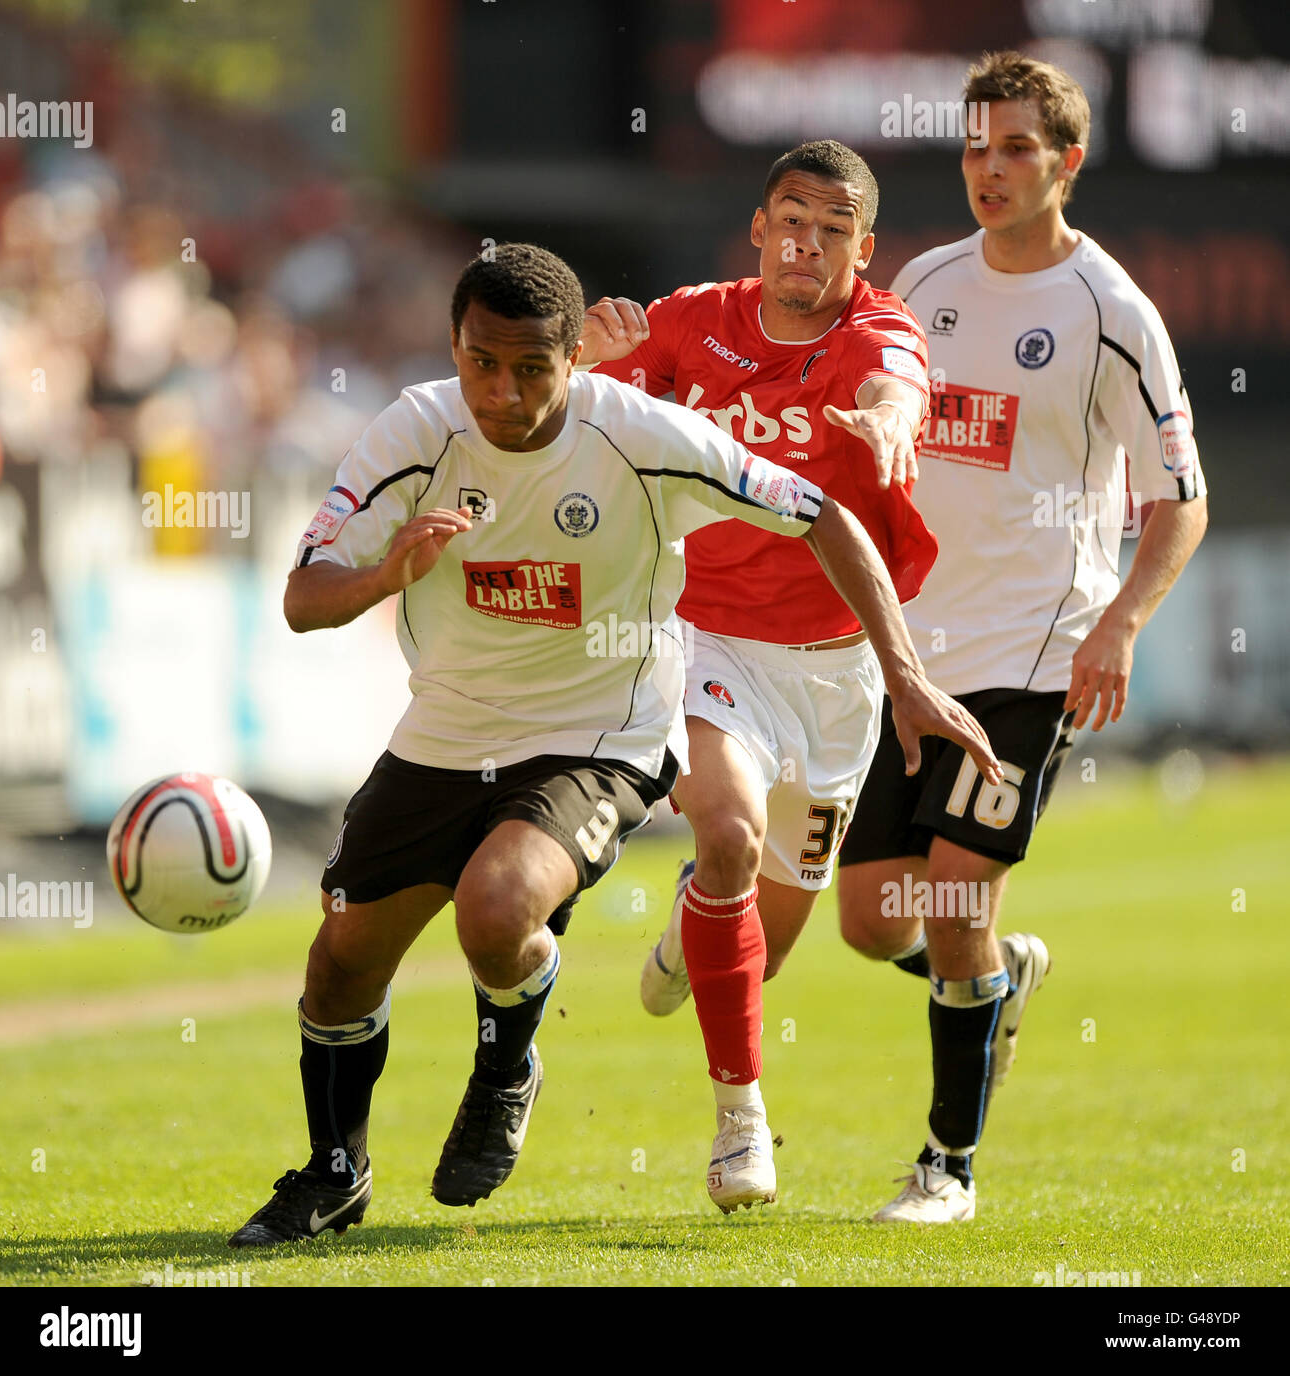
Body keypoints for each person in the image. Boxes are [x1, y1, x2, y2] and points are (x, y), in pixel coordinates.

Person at [226, 242, 1000, 1245]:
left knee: (495, 905)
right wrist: (385, 573)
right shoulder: (412, 430)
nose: (500, 391)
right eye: (478, 362)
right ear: (453, 347)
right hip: (444, 730)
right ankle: (335, 1171)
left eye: (530, 366)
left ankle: (505, 1061)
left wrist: (904, 673)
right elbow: (301, 597)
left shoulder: (641, 435)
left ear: (571, 357)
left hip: (598, 736)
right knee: (338, 965)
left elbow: (825, 516)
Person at [836, 51, 1209, 1222]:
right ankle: (997, 984)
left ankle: (946, 1165)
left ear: (1067, 161)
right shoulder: (927, 279)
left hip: (1032, 654)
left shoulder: (1112, 313)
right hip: (913, 647)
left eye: (1013, 150)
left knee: (952, 900)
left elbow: (1180, 494)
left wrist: (1120, 624)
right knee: (870, 919)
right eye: (972, 147)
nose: (987, 171)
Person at [579, 140, 948, 1212]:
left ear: (862, 250)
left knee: (761, 951)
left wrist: (886, 419)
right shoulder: (695, 320)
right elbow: (581, 410)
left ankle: (698, 916)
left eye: (833, 229)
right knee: (729, 832)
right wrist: (587, 357)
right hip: (708, 638)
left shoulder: (875, 330)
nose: (807, 242)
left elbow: (899, 384)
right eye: (791, 218)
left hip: (836, 672)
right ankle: (741, 1123)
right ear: (757, 226)